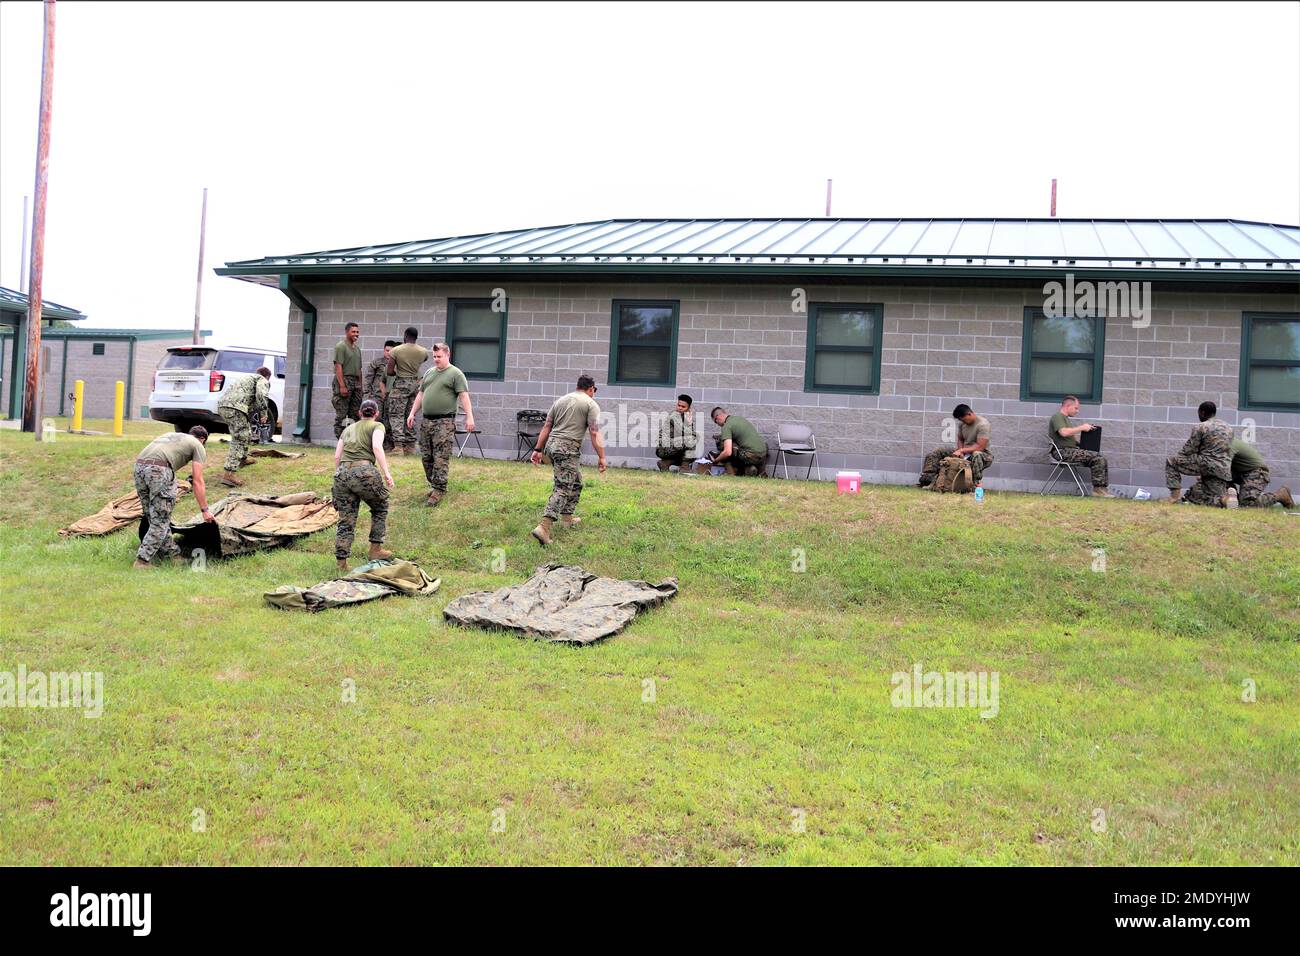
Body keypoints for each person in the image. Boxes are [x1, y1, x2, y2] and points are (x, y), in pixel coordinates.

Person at [529, 374, 607, 546]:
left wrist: (537, 449)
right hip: (567, 448)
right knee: (563, 487)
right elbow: (594, 432)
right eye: (594, 390)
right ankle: (544, 527)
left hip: (552, 446)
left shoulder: (560, 401)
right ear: (591, 389)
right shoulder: (590, 404)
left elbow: (547, 426)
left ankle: (567, 518)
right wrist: (602, 457)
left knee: (576, 482)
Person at [132, 426, 215, 569]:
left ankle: (172, 555)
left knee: (153, 516)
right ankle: (142, 561)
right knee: (160, 519)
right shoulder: (198, 445)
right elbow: (197, 480)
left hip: (139, 467)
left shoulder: (173, 436)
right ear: (202, 439)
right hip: (159, 470)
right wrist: (205, 510)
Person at [405, 341, 474, 506]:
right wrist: (412, 413)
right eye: (434, 356)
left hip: (444, 422)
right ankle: (434, 484)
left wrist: (469, 417)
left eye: (439, 356)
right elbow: (421, 394)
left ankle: (439, 489)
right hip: (427, 421)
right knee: (426, 457)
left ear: (447, 355)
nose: (436, 359)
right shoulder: (429, 372)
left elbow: (464, 396)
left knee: (440, 457)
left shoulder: (455, 374)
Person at [333, 399, 394, 573]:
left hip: (341, 474)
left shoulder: (348, 429)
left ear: (359, 413)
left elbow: (337, 456)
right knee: (380, 506)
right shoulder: (377, 426)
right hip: (364, 471)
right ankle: (375, 550)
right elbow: (377, 447)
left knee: (346, 519)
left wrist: (338, 475)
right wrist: (387, 473)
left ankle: (341, 563)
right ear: (376, 413)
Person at [1165, 401, 1233, 506]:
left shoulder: (1201, 427)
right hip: (1223, 469)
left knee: (1171, 461)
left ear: (1202, 413)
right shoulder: (1228, 428)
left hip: (1207, 464)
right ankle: (1225, 500)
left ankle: (1174, 497)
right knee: (1211, 496)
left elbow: (1188, 450)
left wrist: (1180, 459)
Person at [1048, 395, 1113, 497]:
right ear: (1068, 406)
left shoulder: (1065, 419)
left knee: (1098, 458)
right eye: (1076, 408)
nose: (1077, 411)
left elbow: (1068, 438)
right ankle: (1098, 490)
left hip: (1069, 451)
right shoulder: (1058, 417)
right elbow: (1064, 432)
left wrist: (1086, 443)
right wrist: (1082, 427)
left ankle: (1101, 489)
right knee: (1097, 457)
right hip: (1062, 452)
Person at [217, 366, 271, 487]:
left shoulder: (248, 378)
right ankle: (229, 474)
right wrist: (264, 413)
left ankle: (243, 459)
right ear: (267, 376)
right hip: (235, 408)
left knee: (246, 433)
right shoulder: (262, 379)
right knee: (239, 439)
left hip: (223, 406)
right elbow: (261, 394)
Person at [918, 404, 994, 489]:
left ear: (969, 414)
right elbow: (960, 439)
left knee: (977, 454)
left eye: (963, 419)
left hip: (983, 455)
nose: (963, 422)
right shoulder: (962, 424)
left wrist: (961, 451)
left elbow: (980, 447)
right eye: (961, 420)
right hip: (965, 452)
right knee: (938, 452)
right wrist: (960, 451)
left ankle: (974, 486)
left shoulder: (983, 425)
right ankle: (928, 481)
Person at [387, 327, 430, 455]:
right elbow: (424, 360)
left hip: (401, 384)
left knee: (396, 414)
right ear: (416, 337)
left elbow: (389, 371)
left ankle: (398, 447)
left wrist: (398, 371)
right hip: (416, 385)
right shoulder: (423, 351)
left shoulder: (395, 350)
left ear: (405, 336)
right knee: (411, 414)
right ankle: (410, 446)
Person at [1229, 438, 1293, 509]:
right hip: (1243, 473)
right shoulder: (1224, 440)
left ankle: (1280, 495)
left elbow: (1222, 472)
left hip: (1256, 473)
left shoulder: (1225, 445)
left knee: (1247, 505)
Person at [706, 407, 767, 476]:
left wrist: (716, 460)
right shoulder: (739, 419)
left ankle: (731, 474)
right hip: (763, 455)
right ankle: (750, 469)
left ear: (718, 417)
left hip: (751, 456)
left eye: (715, 421)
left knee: (722, 446)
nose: (717, 424)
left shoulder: (726, 426)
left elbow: (727, 452)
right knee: (735, 448)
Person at [365, 340, 398, 452]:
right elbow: (368, 378)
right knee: (376, 419)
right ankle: (372, 444)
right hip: (377, 396)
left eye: (391, 351)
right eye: (387, 350)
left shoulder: (397, 364)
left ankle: (388, 446)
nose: (389, 353)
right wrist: (367, 395)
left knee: (388, 421)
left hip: (391, 397)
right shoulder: (377, 363)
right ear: (384, 350)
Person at [332, 322, 363, 438]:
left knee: (355, 414)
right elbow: (338, 366)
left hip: (355, 383)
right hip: (344, 380)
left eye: (357, 332)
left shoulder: (357, 349)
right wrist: (342, 385)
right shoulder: (341, 346)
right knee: (342, 414)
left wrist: (360, 386)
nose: (356, 334)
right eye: (353, 331)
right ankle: (340, 441)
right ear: (347, 332)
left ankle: (351, 440)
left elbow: (359, 369)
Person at [656, 394, 699, 471]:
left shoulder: (685, 417)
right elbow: (687, 434)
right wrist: (690, 424)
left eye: (683, 407)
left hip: (674, 446)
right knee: (692, 439)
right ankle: (684, 468)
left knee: (693, 452)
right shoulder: (674, 416)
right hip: (663, 447)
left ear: (688, 408)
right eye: (679, 405)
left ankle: (665, 463)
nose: (680, 408)